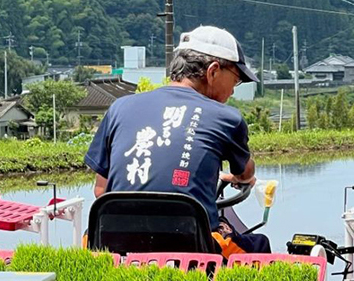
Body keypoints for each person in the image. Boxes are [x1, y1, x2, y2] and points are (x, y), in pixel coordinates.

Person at [84, 25, 271, 256]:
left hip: (113, 245)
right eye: (236, 79)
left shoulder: (119, 108)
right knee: (259, 246)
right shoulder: (227, 118)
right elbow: (244, 174)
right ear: (213, 71)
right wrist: (245, 177)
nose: (233, 90)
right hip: (195, 249)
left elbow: (101, 190)